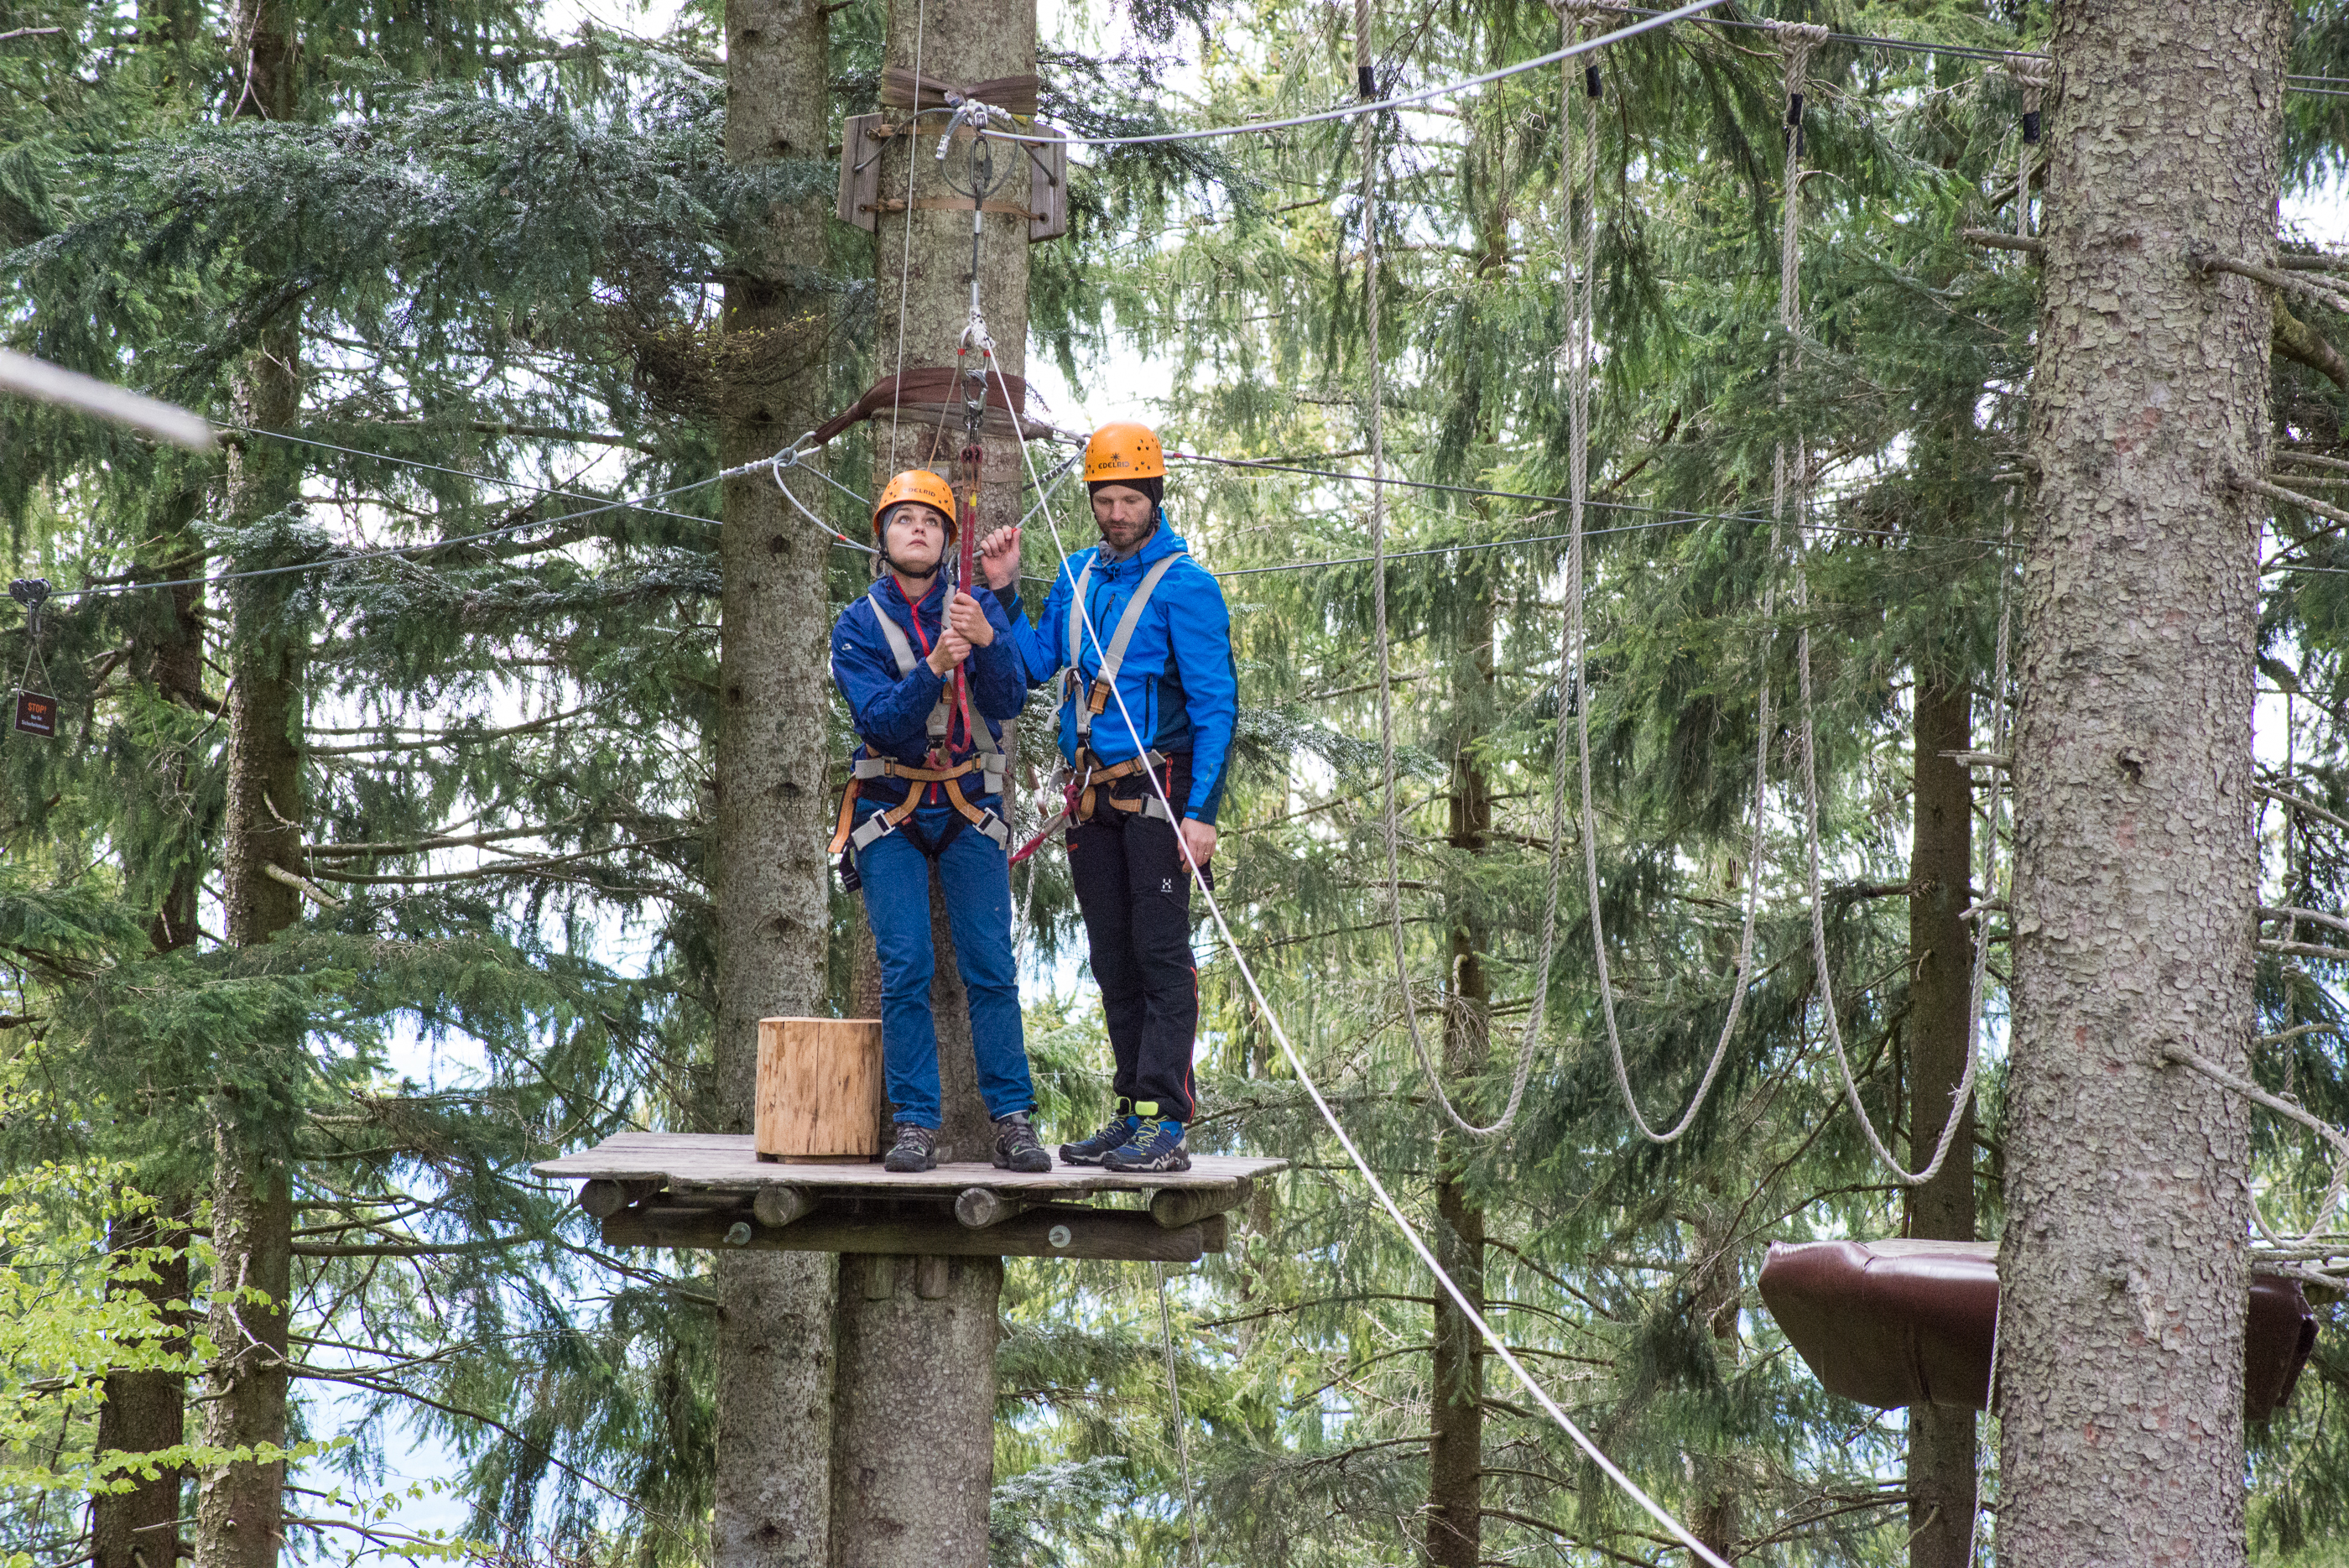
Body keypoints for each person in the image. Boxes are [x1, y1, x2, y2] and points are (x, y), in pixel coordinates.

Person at [976, 422, 1236, 1174]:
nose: (1116, 513)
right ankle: (1134, 1113)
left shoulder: (1186, 586)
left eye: (1130, 500)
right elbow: (1032, 663)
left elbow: (1217, 707)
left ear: (1154, 497)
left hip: (1161, 789)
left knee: (1160, 954)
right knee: (1113, 959)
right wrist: (1004, 591)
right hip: (1093, 796)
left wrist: (1203, 814)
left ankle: (1167, 1122)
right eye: (1105, 499)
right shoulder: (1078, 576)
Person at [829, 467, 1050, 1175]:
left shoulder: (972, 605)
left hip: (968, 804)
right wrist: (933, 665)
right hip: (889, 808)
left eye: (931, 521)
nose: (918, 529)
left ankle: (1012, 1120)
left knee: (990, 965)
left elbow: (1008, 700)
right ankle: (915, 1122)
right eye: (904, 520)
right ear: (884, 538)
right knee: (907, 967)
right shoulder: (857, 625)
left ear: (948, 540)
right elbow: (880, 722)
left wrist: (990, 639)